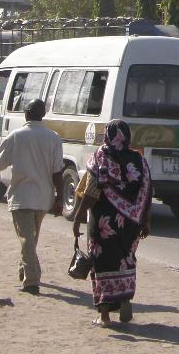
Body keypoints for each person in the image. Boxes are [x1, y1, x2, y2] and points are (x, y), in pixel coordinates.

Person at [72, 120, 152, 327]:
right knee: (125, 258)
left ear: (107, 135)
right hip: (131, 223)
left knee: (102, 264)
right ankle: (124, 298)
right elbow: (147, 192)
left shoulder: (100, 158)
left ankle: (104, 315)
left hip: (103, 222)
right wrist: (145, 221)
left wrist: (78, 217)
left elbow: (91, 193)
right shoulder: (139, 160)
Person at [0, 98, 64, 294]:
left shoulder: (17, 136)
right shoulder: (53, 137)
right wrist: (59, 198)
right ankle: (24, 271)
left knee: (27, 239)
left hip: (21, 196)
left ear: (26, 114)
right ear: (42, 114)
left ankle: (32, 281)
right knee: (31, 239)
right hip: (43, 197)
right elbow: (58, 171)